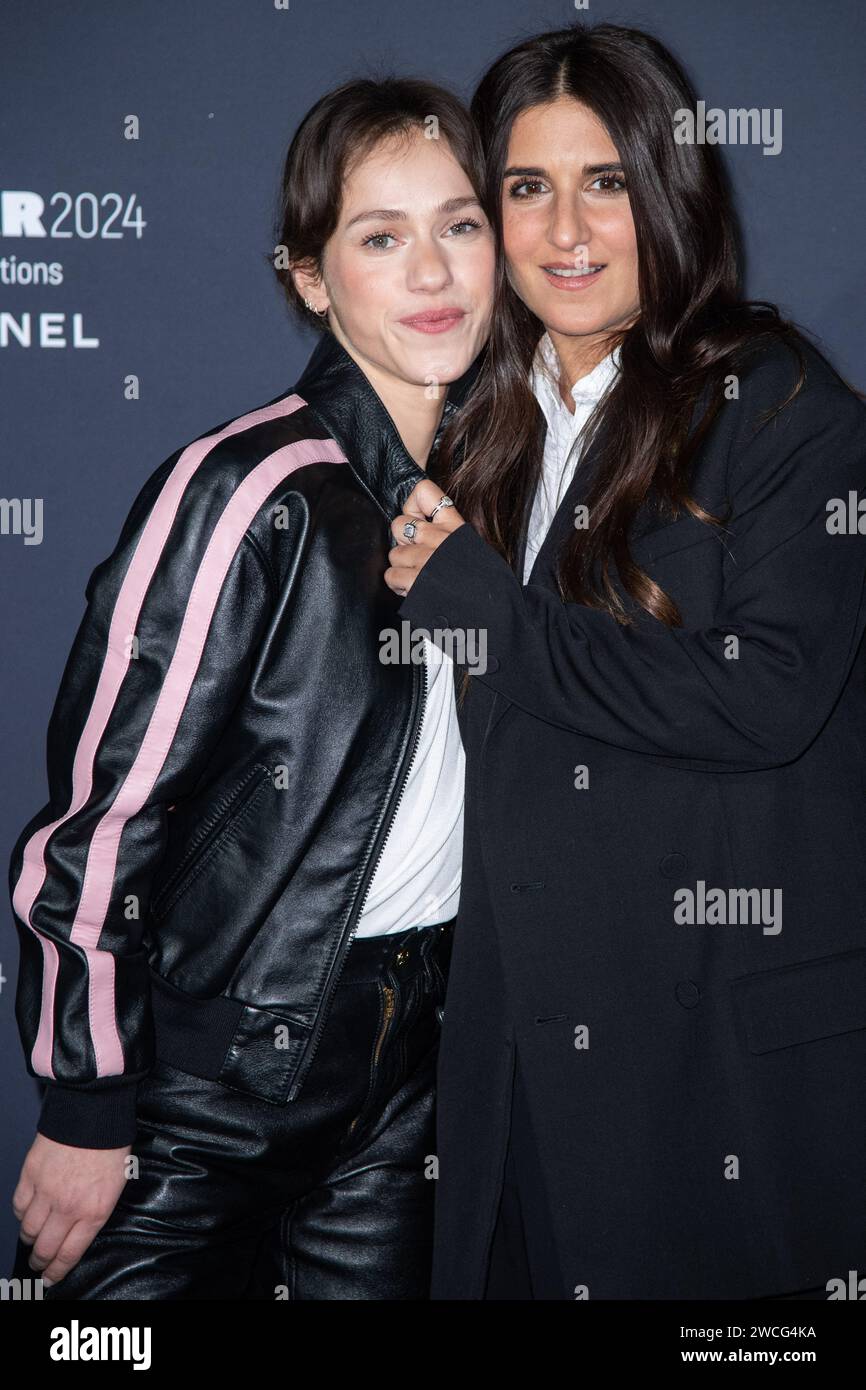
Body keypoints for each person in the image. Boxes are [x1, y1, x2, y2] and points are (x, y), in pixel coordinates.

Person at [385, 21, 866, 1300]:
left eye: (603, 181)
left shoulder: (780, 404)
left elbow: (764, 696)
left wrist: (492, 617)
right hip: (522, 1071)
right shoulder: (478, 436)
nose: (565, 231)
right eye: (525, 188)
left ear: (666, 189)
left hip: (716, 1082)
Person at [8, 76, 494, 1299]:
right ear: (311, 280)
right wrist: (85, 1100)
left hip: (404, 1091)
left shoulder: (508, 494)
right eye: (379, 238)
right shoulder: (247, 488)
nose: (431, 270)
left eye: (459, 223)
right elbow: (100, 817)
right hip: (203, 1093)